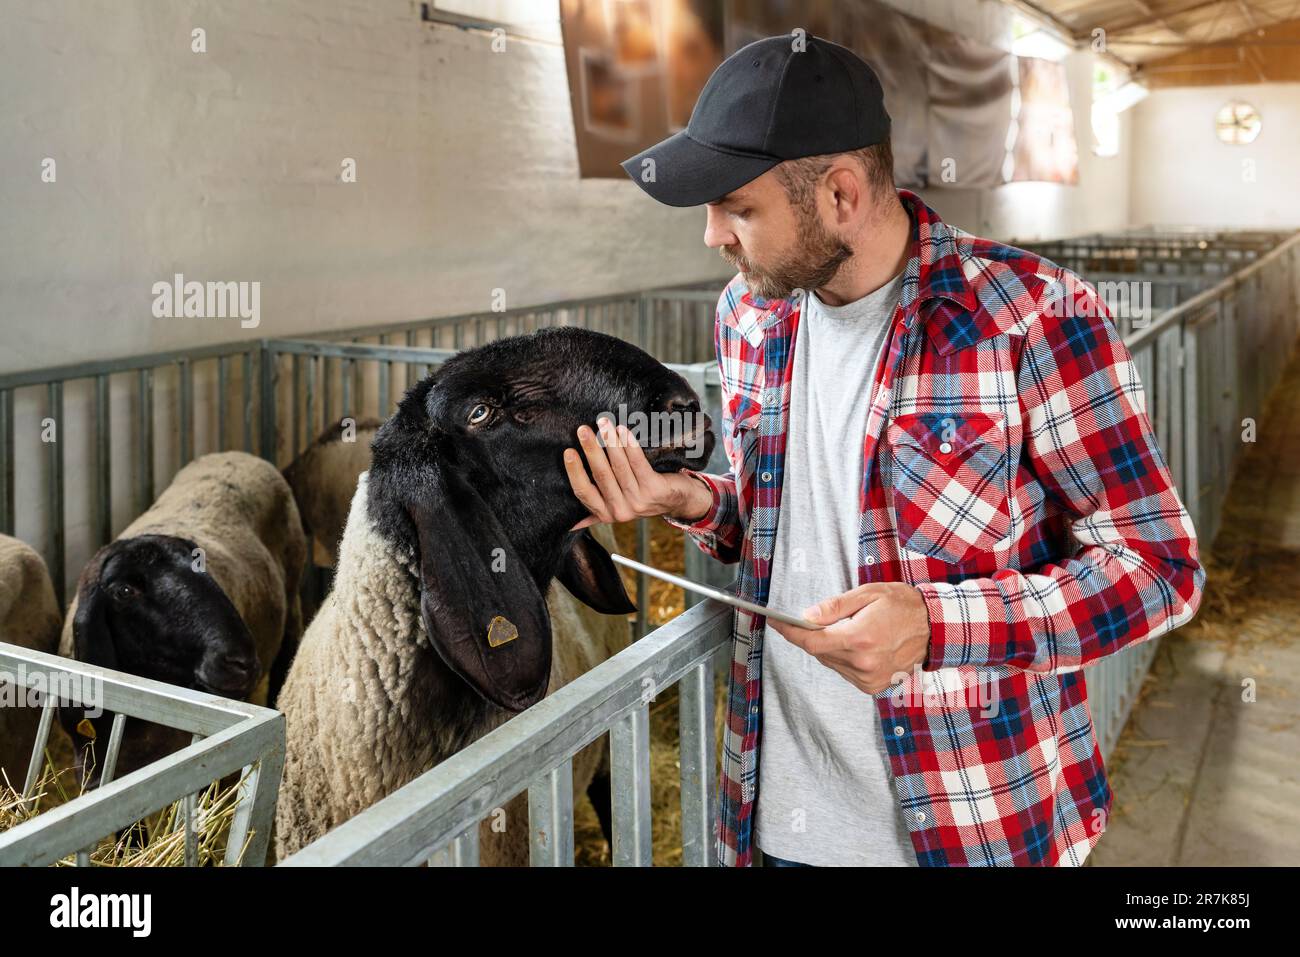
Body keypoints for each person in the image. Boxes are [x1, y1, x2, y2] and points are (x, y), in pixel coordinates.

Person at [563, 34, 1204, 867]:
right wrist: (692, 501)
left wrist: (938, 624)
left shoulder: (1037, 316)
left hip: (973, 824)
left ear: (840, 194)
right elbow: (787, 512)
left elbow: (1160, 568)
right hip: (771, 812)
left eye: (737, 207)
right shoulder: (751, 316)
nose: (712, 235)